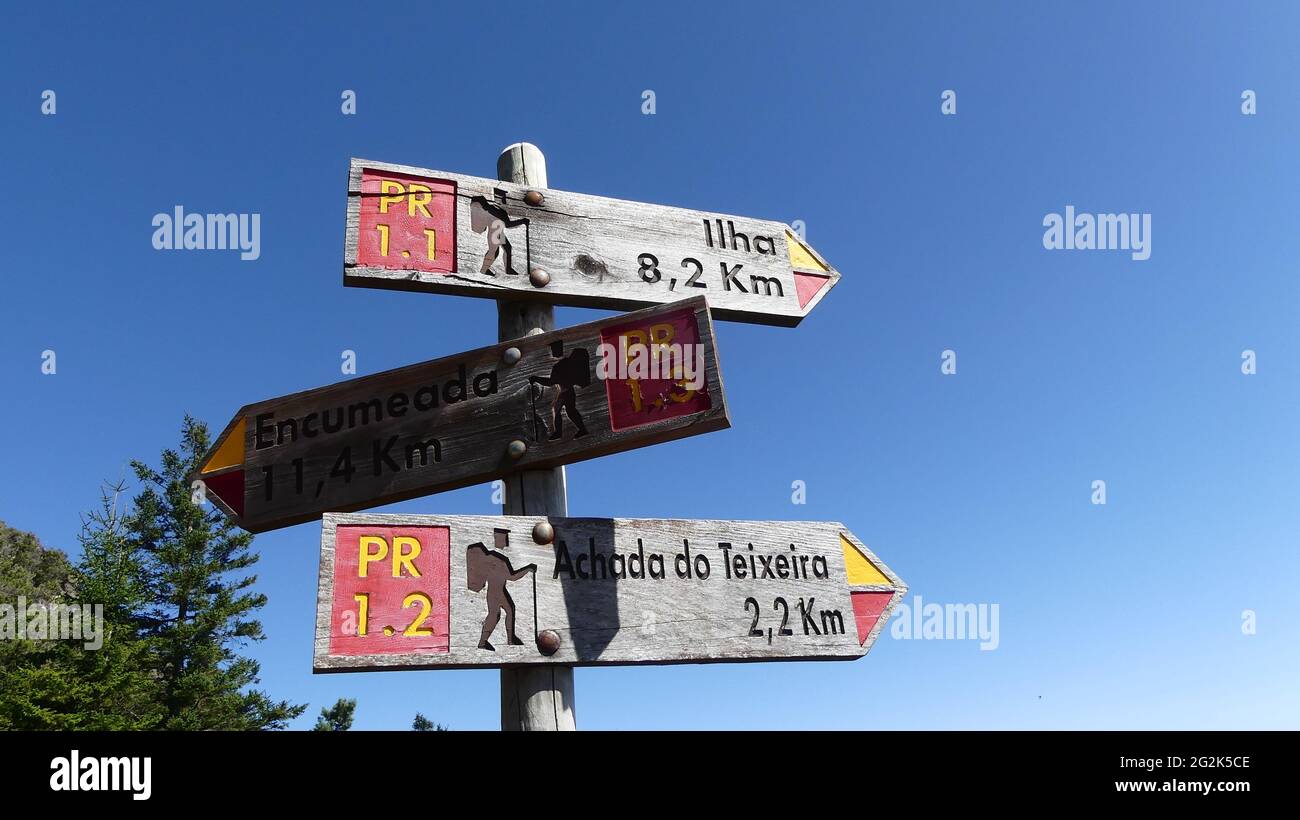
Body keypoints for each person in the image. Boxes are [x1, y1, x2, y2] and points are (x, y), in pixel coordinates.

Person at [466, 541, 536, 651]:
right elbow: (512, 577)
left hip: (497, 592)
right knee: (495, 616)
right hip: (495, 593)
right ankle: (484, 642)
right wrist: (528, 569)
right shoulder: (496, 560)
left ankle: (508, 639)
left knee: (506, 612)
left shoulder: (491, 561)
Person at [530, 341, 590, 440]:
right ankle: (568, 431)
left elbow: (550, 382)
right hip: (565, 391)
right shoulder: (562, 364)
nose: (553, 352)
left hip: (567, 391)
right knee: (565, 410)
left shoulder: (562, 364)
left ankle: (564, 432)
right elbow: (551, 382)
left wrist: (536, 379)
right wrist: (536, 379)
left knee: (566, 411)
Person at [468, 191, 529, 276]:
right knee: (494, 251)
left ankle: (506, 269)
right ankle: (484, 270)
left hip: (498, 233)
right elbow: (508, 224)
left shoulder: (497, 210)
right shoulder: (493, 210)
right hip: (494, 234)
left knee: (505, 249)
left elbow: (507, 224)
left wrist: (522, 221)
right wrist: (522, 221)